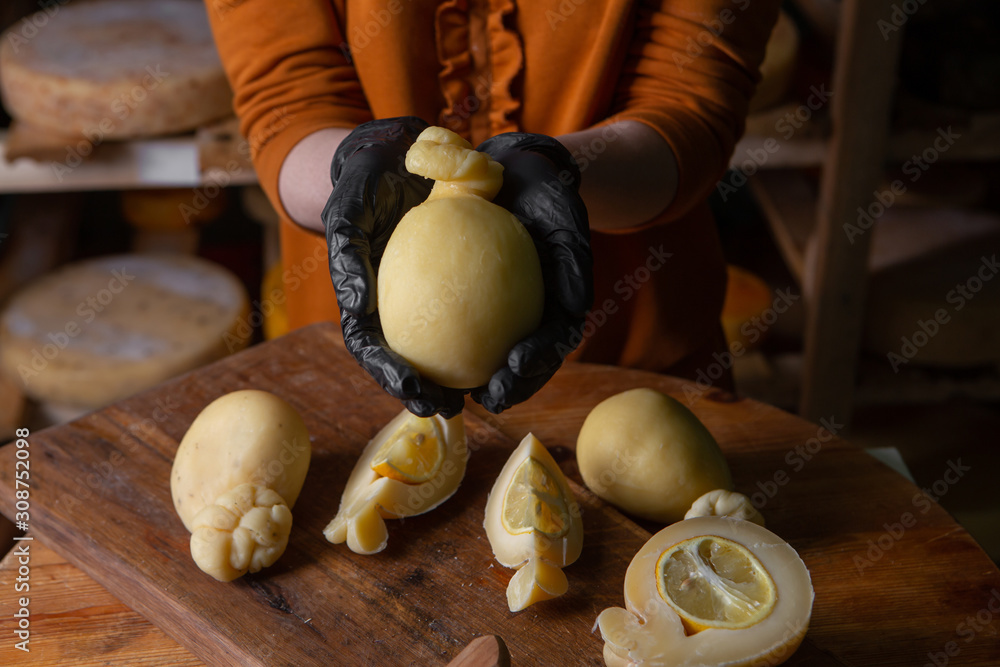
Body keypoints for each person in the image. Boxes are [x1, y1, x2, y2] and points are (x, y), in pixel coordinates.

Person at [204, 0, 782, 415]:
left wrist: (562, 173)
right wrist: (353, 168)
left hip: (636, 364)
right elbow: (286, 100)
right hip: (358, 368)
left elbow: (692, 100)